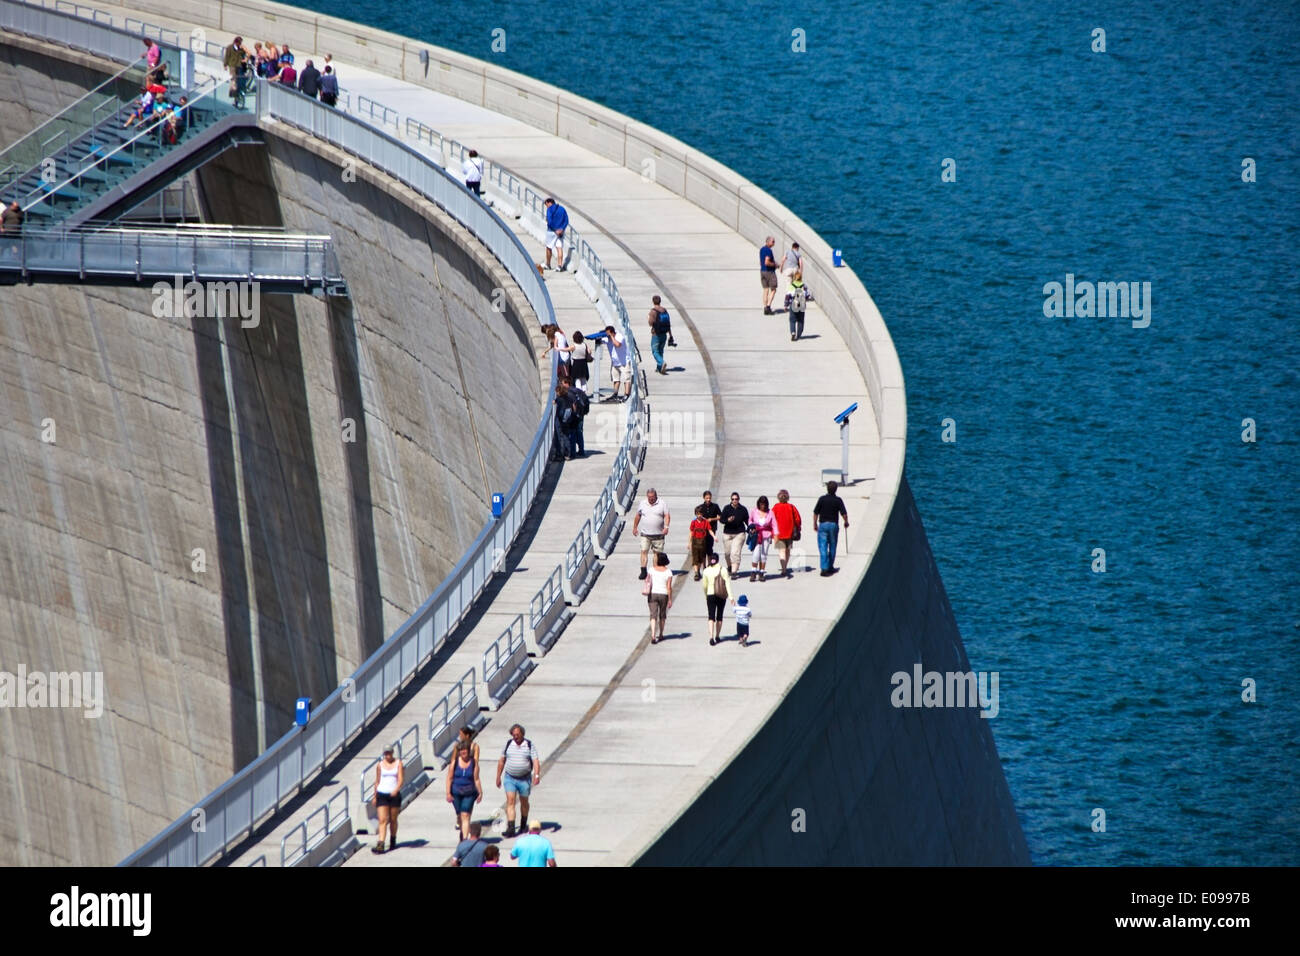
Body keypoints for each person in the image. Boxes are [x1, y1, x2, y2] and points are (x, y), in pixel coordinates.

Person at [495, 724, 540, 837]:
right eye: (513, 735)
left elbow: (535, 761)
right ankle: (511, 828)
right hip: (510, 778)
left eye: (517, 735)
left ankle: (523, 824)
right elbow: (501, 761)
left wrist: (537, 775)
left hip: (524, 779)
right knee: (510, 801)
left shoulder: (529, 745)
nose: (515, 737)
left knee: (524, 802)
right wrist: (498, 776)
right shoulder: (508, 744)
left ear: (522, 734)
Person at [446, 738, 482, 840]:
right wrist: (448, 793)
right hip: (456, 792)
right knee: (460, 816)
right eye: (461, 750)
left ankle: (465, 839)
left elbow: (476, 779)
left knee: (465, 814)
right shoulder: (454, 763)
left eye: (465, 750)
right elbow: (449, 778)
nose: (463, 752)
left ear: (468, 750)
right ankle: (463, 833)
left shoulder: (474, 763)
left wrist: (480, 792)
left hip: (469, 793)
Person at [813, 479, 850, 576]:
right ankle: (830, 567)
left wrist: (814, 523)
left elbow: (816, 512)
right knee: (833, 546)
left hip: (823, 525)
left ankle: (824, 568)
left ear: (827, 489)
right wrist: (846, 522)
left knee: (823, 546)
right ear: (836, 489)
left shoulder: (822, 499)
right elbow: (844, 513)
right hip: (833, 525)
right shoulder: (838, 500)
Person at [632, 488, 669, 580]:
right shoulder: (642, 503)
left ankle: (655, 571)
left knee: (656, 554)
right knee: (644, 551)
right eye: (649, 497)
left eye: (652, 497)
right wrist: (635, 527)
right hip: (645, 534)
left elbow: (667, 515)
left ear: (656, 496)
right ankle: (643, 571)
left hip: (658, 534)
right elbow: (638, 516)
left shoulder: (662, 503)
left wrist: (666, 527)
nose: (651, 499)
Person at [372, 744, 403, 853]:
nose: (387, 755)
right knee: (382, 820)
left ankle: (393, 839)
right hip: (382, 794)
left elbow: (400, 779)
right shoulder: (380, 765)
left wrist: (396, 789)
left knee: (393, 819)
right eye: (385, 753)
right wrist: (375, 795)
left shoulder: (398, 763)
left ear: (392, 753)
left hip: (393, 795)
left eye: (389, 753)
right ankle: (381, 843)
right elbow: (377, 781)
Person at [699, 552, 733, 646]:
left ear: (710, 560)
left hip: (710, 594)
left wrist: (706, 595)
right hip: (721, 594)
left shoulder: (706, 571)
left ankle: (711, 637)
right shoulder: (723, 570)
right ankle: (718, 635)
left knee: (711, 616)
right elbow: (727, 584)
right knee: (719, 616)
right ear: (717, 560)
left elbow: (704, 586)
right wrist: (731, 597)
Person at [771, 489, 803, 577]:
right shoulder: (791, 507)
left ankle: (784, 569)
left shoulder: (775, 507)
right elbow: (798, 519)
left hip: (779, 533)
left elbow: (771, 519)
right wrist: (798, 528)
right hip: (790, 533)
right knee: (787, 551)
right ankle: (785, 567)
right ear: (787, 497)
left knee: (781, 551)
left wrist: (771, 531)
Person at [645, 551, 673, 644]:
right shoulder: (668, 572)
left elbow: (647, 581)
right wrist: (670, 599)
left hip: (652, 594)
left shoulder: (651, 570)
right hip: (663, 594)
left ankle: (653, 634)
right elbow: (669, 587)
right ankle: (661, 634)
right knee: (662, 615)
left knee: (653, 615)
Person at [748, 494, 776, 582]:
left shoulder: (770, 512)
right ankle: (753, 572)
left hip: (766, 536)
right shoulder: (754, 511)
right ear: (758, 504)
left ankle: (761, 573)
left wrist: (776, 535)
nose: (762, 506)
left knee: (763, 555)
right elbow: (750, 520)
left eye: (764, 504)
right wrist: (751, 528)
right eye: (761, 504)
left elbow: (774, 525)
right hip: (757, 535)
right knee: (756, 554)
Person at [719, 492, 749, 576]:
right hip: (727, 533)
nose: (734, 500)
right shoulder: (727, 508)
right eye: (733, 499)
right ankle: (730, 567)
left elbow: (747, 521)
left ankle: (734, 571)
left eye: (736, 499)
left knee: (735, 553)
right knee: (727, 553)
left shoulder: (743, 509)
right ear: (731, 500)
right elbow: (721, 520)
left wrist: (751, 529)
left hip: (739, 533)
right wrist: (727, 520)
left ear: (738, 499)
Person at [600, 324, 631, 403]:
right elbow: (599, 340)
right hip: (615, 363)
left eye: (609, 334)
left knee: (626, 379)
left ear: (613, 333)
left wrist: (612, 337)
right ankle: (615, 394)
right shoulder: (607, 338)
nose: (608, 336)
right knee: (616, 379)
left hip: (624, 362)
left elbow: (617, 345)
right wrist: (600, 335)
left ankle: (627, 394)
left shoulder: (619, 336)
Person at [554, 382, 580, 461]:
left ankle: (559, 455)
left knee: (559, 437)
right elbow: (573, 407)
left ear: (559, 392)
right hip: (568, 420)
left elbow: (555, 402)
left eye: (557, 392)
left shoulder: (559, 399)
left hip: (560, 420)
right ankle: (568, 454)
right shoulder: (569, 397)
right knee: (566, 437)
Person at [542, 197, 568, 271]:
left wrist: (555, 230)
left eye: (546, 204)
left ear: (549, 202)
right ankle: (559, 265)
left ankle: (548, 264)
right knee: (559, 247)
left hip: (551, 231)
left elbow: (549, 222)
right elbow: (566, 220)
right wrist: (562, 229)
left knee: (549, 247)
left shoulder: (549, 209)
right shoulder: (562, 209)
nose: (546, 206)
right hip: (561, 232)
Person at [647, 295, 670, 375]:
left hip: (656, 334)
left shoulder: (653, 311)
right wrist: (670, 335)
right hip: (664, 334)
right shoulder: (664, 310)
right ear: (660, 301)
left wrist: (648, 318)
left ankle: (662, 362)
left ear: (653, 301)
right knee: (661, 351)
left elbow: (650, 323)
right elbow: (668, 323)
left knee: (655, 351)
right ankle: (659, 368)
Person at [688, 505, 711, 581]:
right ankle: (696, 573)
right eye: (697, 514)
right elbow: (691, 532)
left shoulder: (705, 522)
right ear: (695, 514)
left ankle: (698, 570)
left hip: (703, 541)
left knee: (701, 557)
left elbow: (709, 530)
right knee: (695, 557)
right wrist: (689, 542)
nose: (699, 515)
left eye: (700, 514)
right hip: (695, 541)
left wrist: (714, 537)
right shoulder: (693, 522)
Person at [786, 270, 808, 341]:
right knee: (800, 320)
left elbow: (788, 296)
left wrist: (786, 305)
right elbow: (808, 295)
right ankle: (799, 334)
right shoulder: (804, 286)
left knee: (792, 320)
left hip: (793, 305)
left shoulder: (791, 286)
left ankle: (793, 332)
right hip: (801, 305)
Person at [759, 236, 779, 314]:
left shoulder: (762, 249)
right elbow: (766, 262)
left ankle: (765, 308)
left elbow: (761, 262)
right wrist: (775, 265)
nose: (774, 243)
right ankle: (768, 307)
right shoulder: (768, 250)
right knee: (773, 289)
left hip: (762, 271)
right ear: (768, 242)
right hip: (769, 272)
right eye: (773, 241)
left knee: (765, 289)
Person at [698, 490, 721, 557]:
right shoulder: (701, 507)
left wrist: (712, 519)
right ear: (704, 498)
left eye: (709, 498)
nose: (708, 500)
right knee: (703, 548)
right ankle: (704, 565)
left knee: (710, 547)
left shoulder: (715, 506)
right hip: (703, 529)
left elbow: (720, 516)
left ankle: (710, 564)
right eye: (707, 498)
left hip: (712, 528)